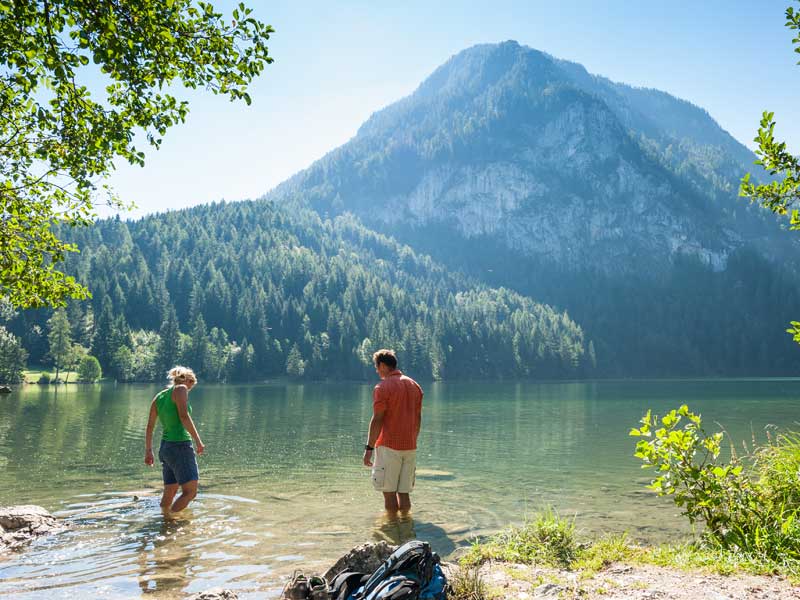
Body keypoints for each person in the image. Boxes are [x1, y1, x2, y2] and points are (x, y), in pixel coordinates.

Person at [363, 349, 423, 513]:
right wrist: (413, 440)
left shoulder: (382, 387)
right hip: (410, 447)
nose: (376, 370)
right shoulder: (414, 385)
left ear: (382, 365)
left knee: (389, 493)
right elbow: (418, 418)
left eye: (376, 366)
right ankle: (405, 527)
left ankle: (391, 529)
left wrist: (369, 448)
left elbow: (377, 419)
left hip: (389, 446)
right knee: (404, 494)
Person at [144, 366, 205, 514]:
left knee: (170, 491)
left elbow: (150, 427)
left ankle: (164, 519)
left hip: (166, 449)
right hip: (180, 446)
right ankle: (171, 522)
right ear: (188, 381)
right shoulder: (181, 389)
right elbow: (184, 416)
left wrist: (148, 451)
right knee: (190, 492)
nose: (189, 389)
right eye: (191, 385)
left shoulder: (159, 397)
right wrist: (198, 440)